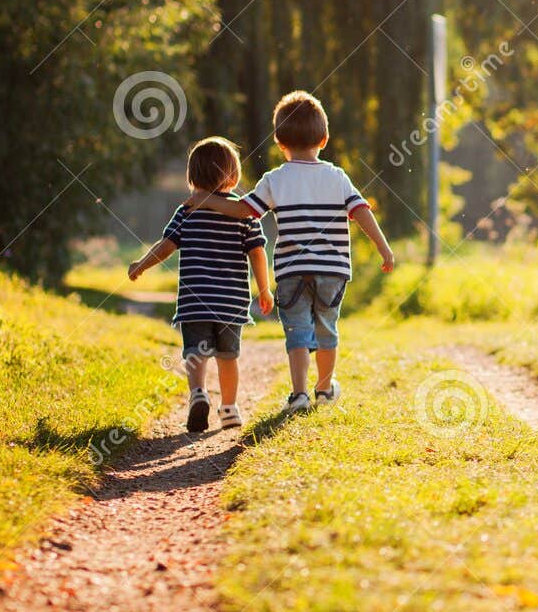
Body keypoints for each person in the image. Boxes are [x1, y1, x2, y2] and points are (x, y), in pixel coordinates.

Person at [186, 91, 395, 413]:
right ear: (324, 139)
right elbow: (361, 212)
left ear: (279, 141)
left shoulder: (275, 179)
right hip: (332, 269)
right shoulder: (337, 177)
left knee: (298, 331)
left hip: (292, 271)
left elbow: (244, 211)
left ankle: (299, 394)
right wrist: (384, 249)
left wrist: (204, 199)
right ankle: (324, 388)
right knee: (327, 328)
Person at [129, 137, 272, 431]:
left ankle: (198, 394)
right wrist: (264, 288)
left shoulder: (188, 211)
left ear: (192, 176)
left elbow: (166, 246)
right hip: (231, 302)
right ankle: (230, 408)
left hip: (195, 300)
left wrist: (141, 264)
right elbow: (257, 252)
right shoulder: (243, 214)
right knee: (228, 356)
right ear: (232, 175)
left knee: (195, 352)